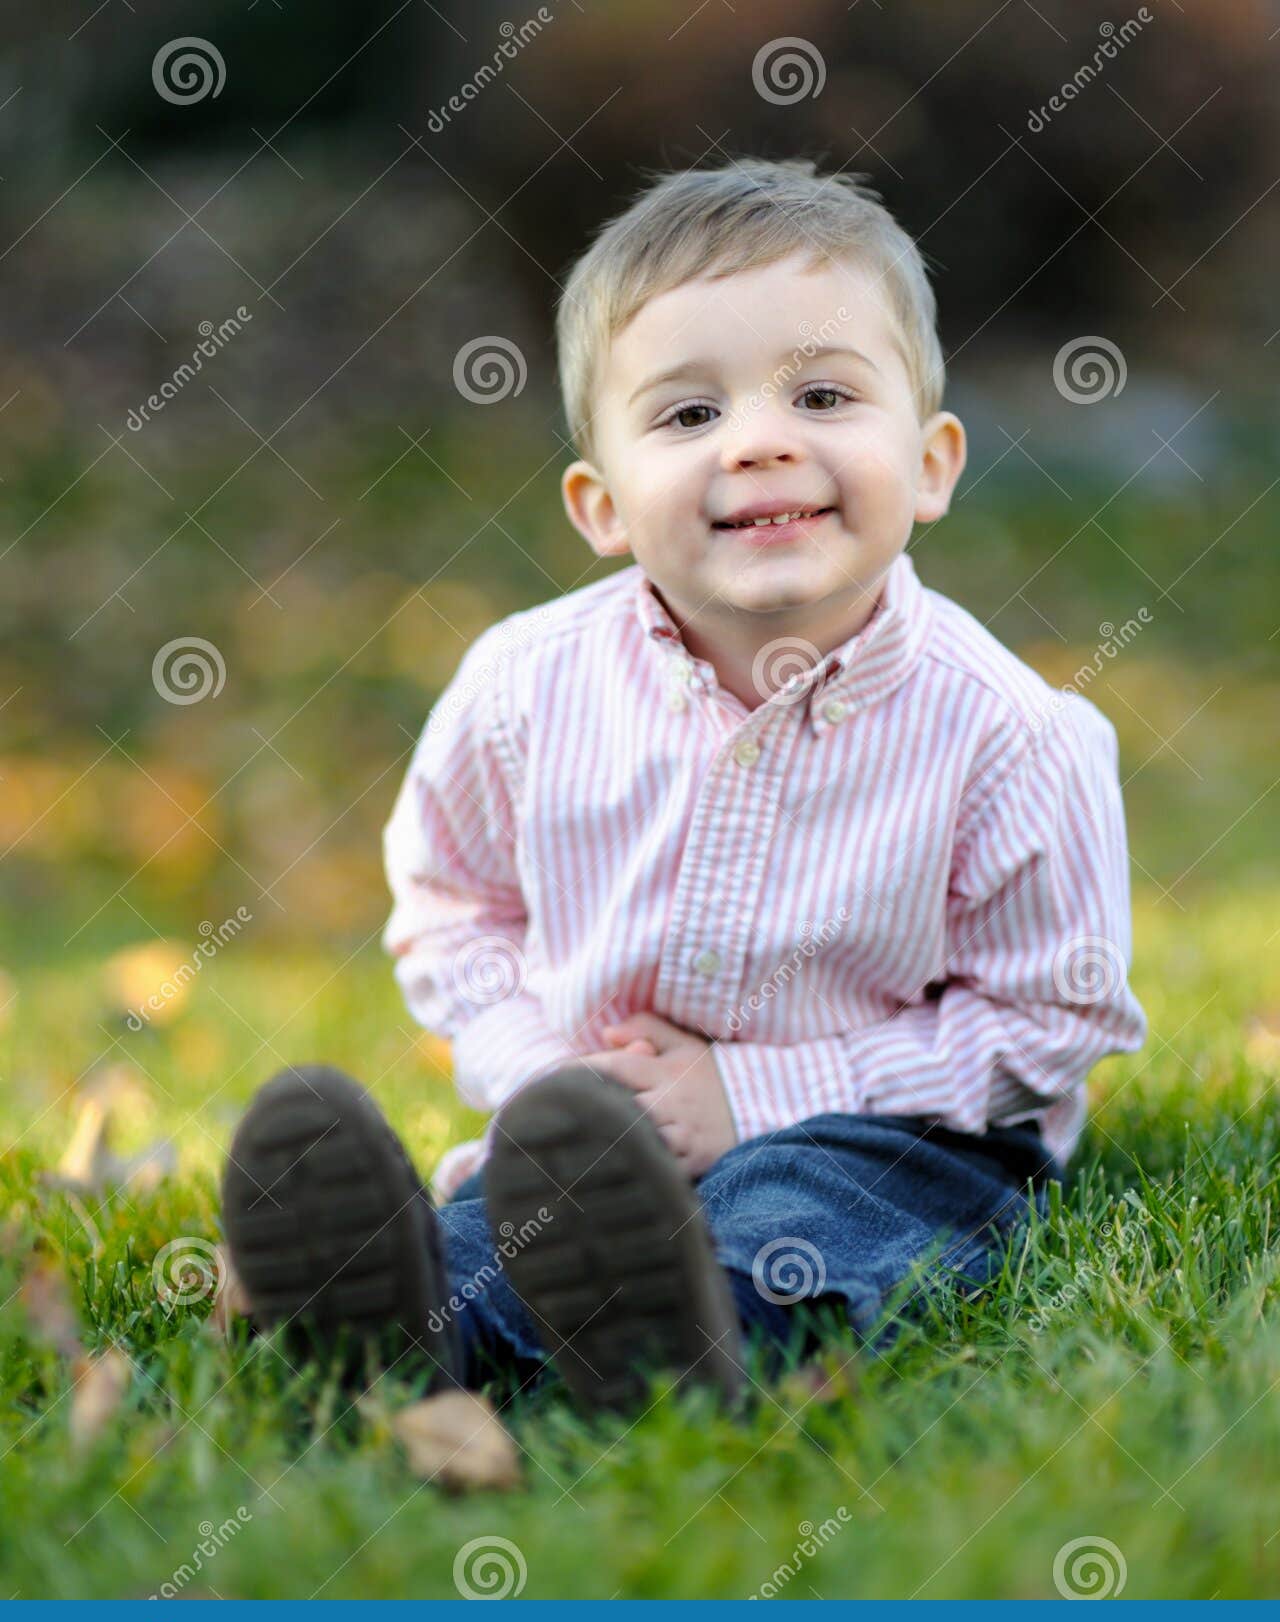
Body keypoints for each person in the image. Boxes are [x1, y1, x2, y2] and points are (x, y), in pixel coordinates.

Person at [221, 156, 1147, 1416]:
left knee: (797, 1207)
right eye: (689, 413)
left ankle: (687, 1340)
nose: (760, 440)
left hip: (890, 1123)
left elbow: (1052, 1017)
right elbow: (452, 910)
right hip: (602, 1135)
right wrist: (547, 1076)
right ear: (601, 505)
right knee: (509, 1220)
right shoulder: (523, 690)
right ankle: (401, 1322)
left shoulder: (1008, 734)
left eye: (821, 395)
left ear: (930, 463)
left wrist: (751, 1096)